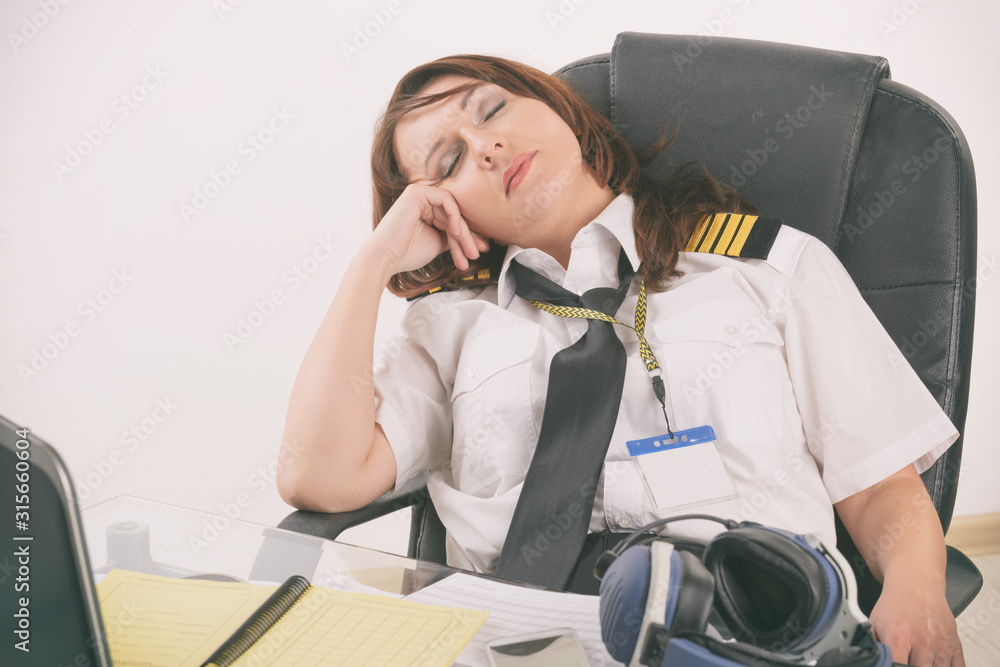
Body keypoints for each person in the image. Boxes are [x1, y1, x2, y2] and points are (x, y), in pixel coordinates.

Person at [277, 54, 965, 666]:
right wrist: (372, 265)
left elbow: (880, 486)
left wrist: (915, 593)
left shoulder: (763, 268)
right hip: (515, 640)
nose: (484, 146)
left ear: (559, 108)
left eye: (492, 111)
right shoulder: (448, 328)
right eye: (448, 164)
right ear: (441, 211)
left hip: (749, 615)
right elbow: (317, 477)